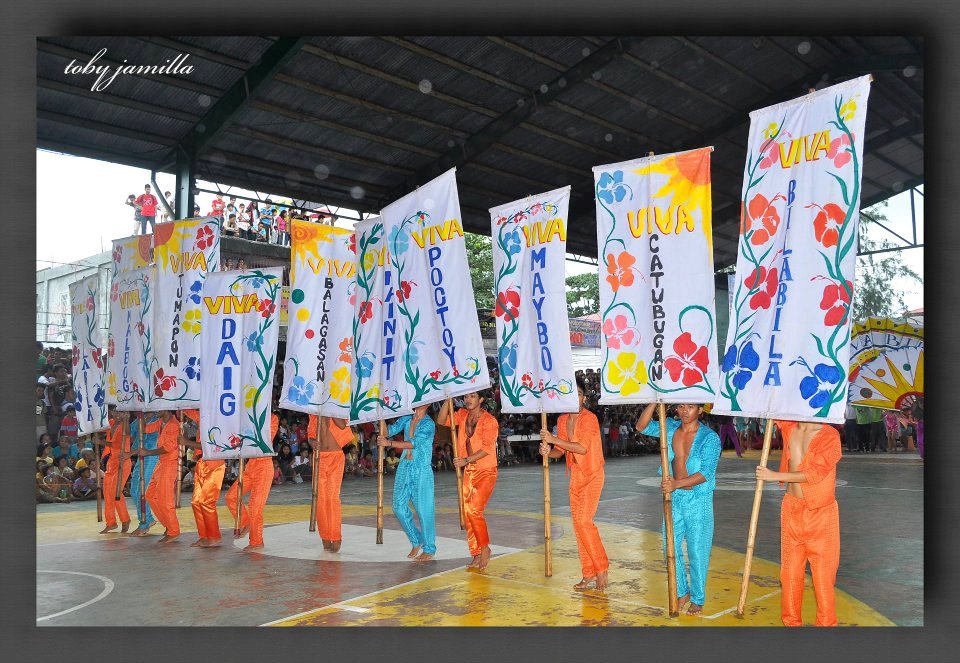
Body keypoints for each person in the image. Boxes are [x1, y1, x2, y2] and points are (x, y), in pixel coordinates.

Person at [636, 402, 721, 616]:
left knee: (697, 550)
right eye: (681, 406)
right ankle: (682, 591)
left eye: (690, 407)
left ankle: (698, 598)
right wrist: (655, 400)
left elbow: (706, 473)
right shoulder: (670, 429)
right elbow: (641, 426)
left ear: (701, 410)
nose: (684, 411)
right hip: (674, 498)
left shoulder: (709, 438)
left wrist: (676, 483)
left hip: (698, 499)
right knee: (669, 547)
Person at [756, 420, 842, 627]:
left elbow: (814, 474)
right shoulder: (788, 426)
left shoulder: (830, 435)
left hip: (820, 514)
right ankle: (791, 625)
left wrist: (774, 476)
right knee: (790, 575)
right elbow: (770, 399)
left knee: (823, 579)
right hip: (791, 510)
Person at [539, 377, 609, 591]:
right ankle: (588, 573)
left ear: (584, 398)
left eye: (578, 394)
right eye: (571, 394)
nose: (575, 398)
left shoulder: (590, 419)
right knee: (578, 525)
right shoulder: (561, 420)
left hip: (593, 473)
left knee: (584, 521)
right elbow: (562, 451)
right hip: (575, 474)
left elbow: (581, 448)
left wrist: (553, 440)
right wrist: (548, 452)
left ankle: (601, 568)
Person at [439, 391, 499, 570]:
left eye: (472, 396)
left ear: (481, 400)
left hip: (486, 471)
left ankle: (485, 547)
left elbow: (488, 449)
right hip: (469, 471)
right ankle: (476, 552)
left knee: (474, 510)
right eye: (465, 397)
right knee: (468, 513)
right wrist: (447, 398)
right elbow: (442, 421)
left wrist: (465, 460)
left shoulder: (490, 421)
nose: (467, 400)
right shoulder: (462, 415)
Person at [383, 404, 437, 562]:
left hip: (421, 469)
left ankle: (429, 547)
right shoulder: (407, 418)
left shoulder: (428, 424)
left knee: (424, 510)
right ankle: (416, 540)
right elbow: (388, 431)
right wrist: (380, 416)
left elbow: (414, 443)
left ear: (428, 403)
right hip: (405, 467)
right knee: (398, 506)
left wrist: (390, 444)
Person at [226, 413, 279, 552]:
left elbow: (264, 441)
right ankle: (247, 523)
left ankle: (257, 542)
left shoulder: (272, 418)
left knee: (255, 506)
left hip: (264, 466)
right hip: (250, 466)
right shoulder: (245, 416)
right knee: (231, 496)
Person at [179, 409, 226, 548]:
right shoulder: (202, 417)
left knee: (206, 501)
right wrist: (178, 402)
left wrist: (187, 442)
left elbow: (212, 446)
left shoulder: (219, 421)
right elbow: (188, 410)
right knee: (195, 502)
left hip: (215, 463)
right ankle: (204, 536)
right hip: (201, 463)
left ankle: (214, 536)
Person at [138, 410, 184, 543]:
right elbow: (144, 430)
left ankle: (173, 530)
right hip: (161, 463)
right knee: (150, 495)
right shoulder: (160, 422)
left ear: (166, 409)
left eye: (159, 408)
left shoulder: (174, 425)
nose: (156, 410)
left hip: (170, 464)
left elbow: (169, 447)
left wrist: (148, 452)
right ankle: (168, 525)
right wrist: (142, 415)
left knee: (165, 500)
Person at [309, 415, 354, 552]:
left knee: (332, 498)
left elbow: (341, 425)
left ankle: (335, 535)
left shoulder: (339, 406)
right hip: (319, 457)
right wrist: (312, 443)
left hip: (336, 457)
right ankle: (325, 536)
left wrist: (332, 408)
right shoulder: (314, 411)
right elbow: (311, 435)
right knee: (320, 499)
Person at [125, 413, 162, 535]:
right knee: (134, 490)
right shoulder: (138, 419)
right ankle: (148, 518)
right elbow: (128, 432)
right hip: (141, 456)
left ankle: (144, 523)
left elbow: (147, 432)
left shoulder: (158, 419)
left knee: (142, 490)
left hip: (152, 456)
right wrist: (125, 418)